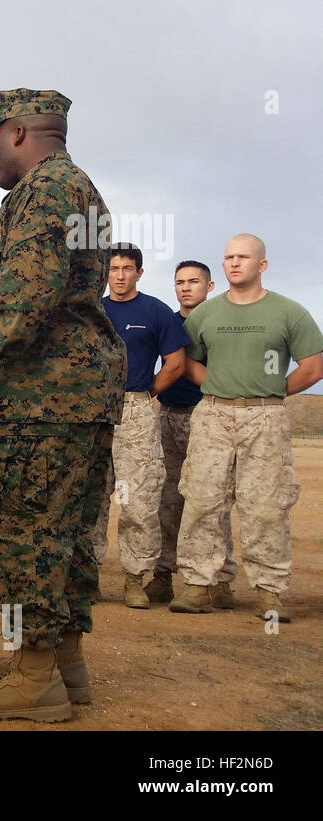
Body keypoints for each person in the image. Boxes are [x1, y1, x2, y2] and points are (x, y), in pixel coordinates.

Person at [0, 88, 126, 721]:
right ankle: (61, 661)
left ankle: (35, 677)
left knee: (28, 529)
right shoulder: (76, 189)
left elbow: (27, 290)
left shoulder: (42, 192)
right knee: (63, 531)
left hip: (45, 392)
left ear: (18, 133)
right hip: (80, 392)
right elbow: (16, 261)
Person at [170, 234, 322, 621]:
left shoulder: (289, 312)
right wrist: (217, 386)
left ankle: (269, 591)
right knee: (203, 500)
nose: (234, 263)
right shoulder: (207, 314)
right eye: (228, 257)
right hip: (213, 415)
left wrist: (269, 392)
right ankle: (199, 585)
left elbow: (312, 367)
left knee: (267, 505)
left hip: (266, 418)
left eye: (243, 257)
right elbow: (186, 360)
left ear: (262, 265)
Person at [91, 243, 188, 608]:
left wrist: (148, 393)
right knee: (91, 497)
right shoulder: (90, 310)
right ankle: (87, 578)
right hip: (93, 414)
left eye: (127, 268)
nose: (119, 275)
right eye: (113, 268)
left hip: (135, 412)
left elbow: (175, 363)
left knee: (138, 498)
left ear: (139, 273)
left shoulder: (155, 311)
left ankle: (135, 578)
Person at [151, 260, 236, 605]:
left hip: (211, 415)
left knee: (213, 499)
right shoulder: (167, 321)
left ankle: (220, 579)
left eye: (194, 281)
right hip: (169, 416)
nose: (186, 287)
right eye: (180, 282)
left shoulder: (224, 320)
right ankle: (162, 574)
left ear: (210, 286)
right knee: (167, 498)